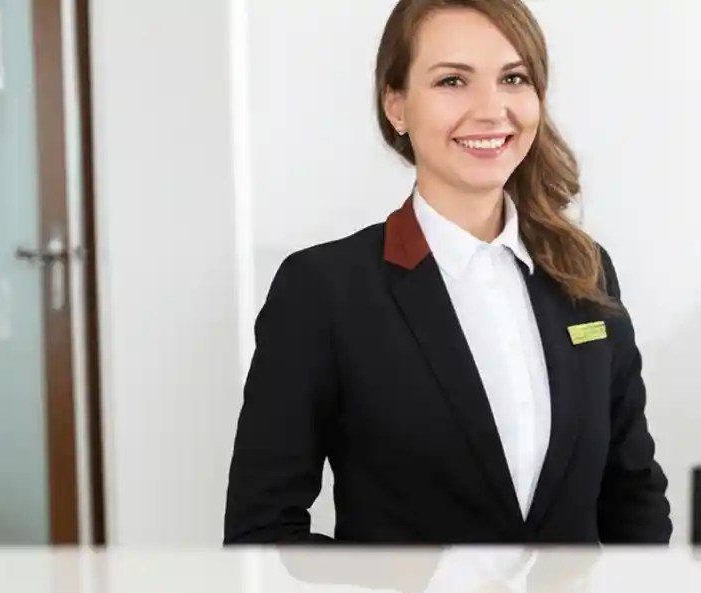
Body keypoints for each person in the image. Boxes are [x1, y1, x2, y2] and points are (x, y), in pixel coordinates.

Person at [225, 0, 671, 545]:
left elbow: (633, 495)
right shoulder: (324, 292)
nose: (491, 109)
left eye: (513, 78)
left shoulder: (585, 270)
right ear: (396, 106)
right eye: (453, 81)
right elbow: (261, 533)